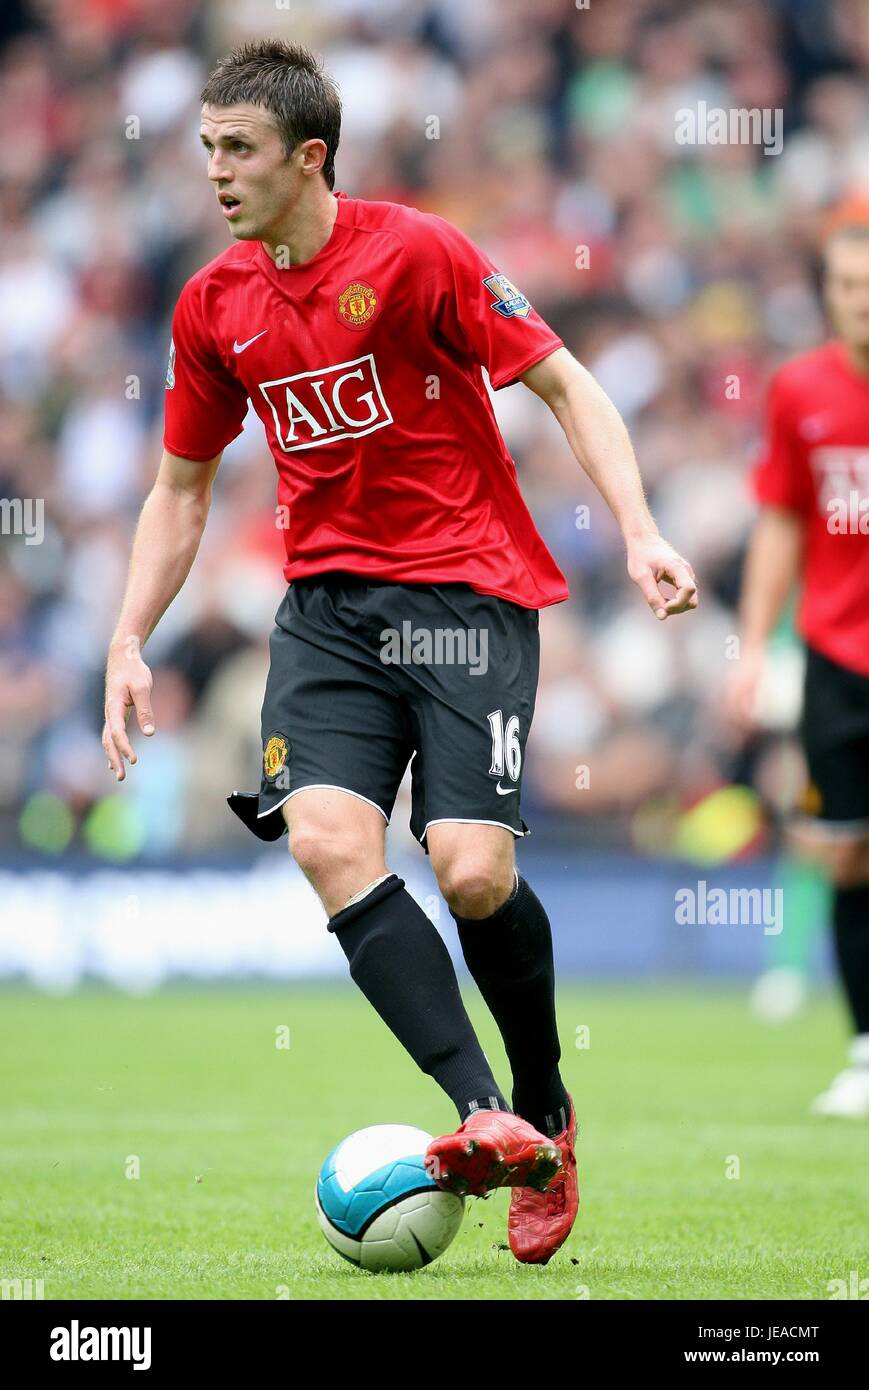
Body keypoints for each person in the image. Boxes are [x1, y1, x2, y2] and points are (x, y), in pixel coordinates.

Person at [102, 40, 698, 1263]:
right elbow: (179, 491)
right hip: (325, 610)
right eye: (206, 146)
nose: (213, 170)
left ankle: (541, 1107)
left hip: (466, 594)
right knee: (325, 839)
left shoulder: (418, 252)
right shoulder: (213, 303)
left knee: (470, 870)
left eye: (237, 150)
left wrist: (638, 530)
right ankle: (479, 1113)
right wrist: (126, 636)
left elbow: (566, 385)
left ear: (307, 156)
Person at [730, 222, 869, 1119]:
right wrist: (752, 645)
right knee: (844, 854)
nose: (862, 300)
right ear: (827, 293)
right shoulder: (799, 389)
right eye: (849, 285)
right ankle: (865, 1047)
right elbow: (780, 519)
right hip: (836, 656)